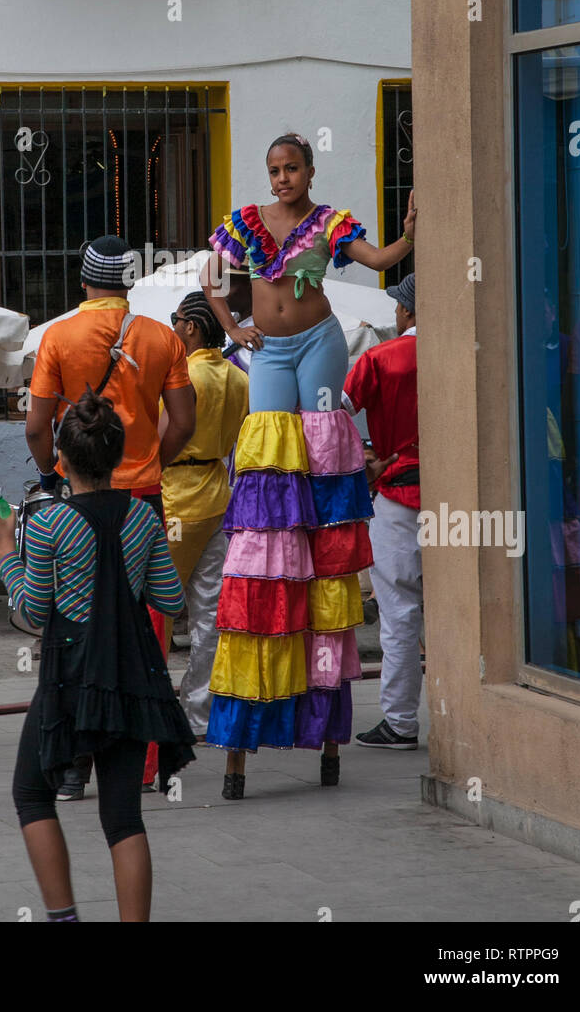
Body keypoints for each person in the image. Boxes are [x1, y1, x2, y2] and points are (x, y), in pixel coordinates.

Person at [201, 132, 417, 796]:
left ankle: (320, 545)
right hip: (266, 349)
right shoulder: (245, 222)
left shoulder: (329, 223)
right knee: (266, 451)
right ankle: (274, 558)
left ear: (310, 170)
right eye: (274, 169)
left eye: (292, 168)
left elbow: (379, 259)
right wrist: (230, 327)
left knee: (322, 447)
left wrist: (410, 233)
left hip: (318, 340)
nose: (282, 178)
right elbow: (210, 276)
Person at [0, 387, 195, 923]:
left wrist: (5, 547)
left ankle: (63, 917)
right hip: (130, 678)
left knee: (32, 794)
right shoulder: (143, 518)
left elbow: (32, 610)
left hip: (69, 679)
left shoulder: (50, 523)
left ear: (63, 458)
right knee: (123, 817)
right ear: (118, 456)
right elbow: (172, 599)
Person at [24, 234, 195, 800]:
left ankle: (73, 764)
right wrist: (152, 463)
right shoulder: (161, 337)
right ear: (130, 282)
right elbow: (184, 420)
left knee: (73, 624)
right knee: (146, 631)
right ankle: (144, 763)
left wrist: (54, 472)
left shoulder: (58, 336)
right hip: (142, 498)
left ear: (83, 280)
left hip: (77, 497)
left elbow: (35, 426)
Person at [161, 292, 248, 738]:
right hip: (218, 496)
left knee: (155, 612)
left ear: (191, 327)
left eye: (175, 320)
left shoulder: (182, 375)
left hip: (176, 496)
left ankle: (154, 713)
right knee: (209, 616)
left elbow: (163, 437)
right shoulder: (238, 379)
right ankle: (199, 714)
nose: (172, 327)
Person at [341, 271, 422, 749]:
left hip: (398, 497)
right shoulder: (465, 351)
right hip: (463, 502)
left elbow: (332, 416)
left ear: (408, 311)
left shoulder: (380, 358)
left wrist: (363, 458)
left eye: (398, 305)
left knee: (399, 614)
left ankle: (401, 722)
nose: (393, 312)